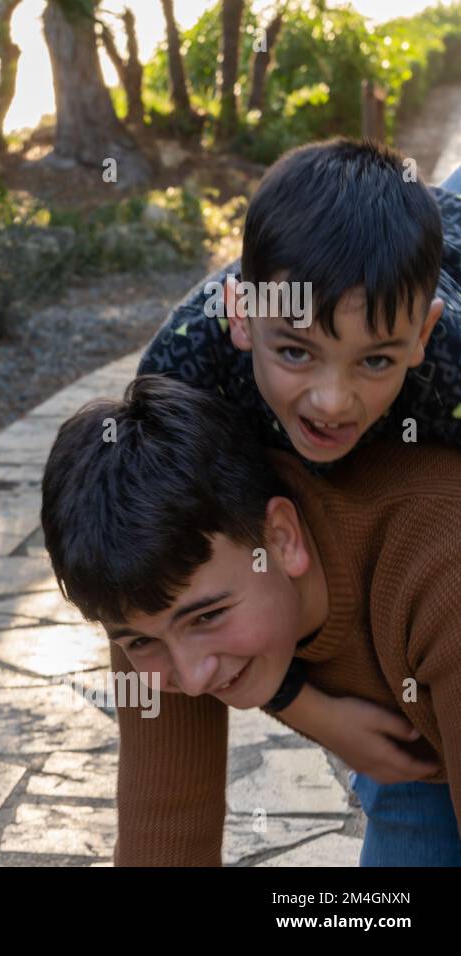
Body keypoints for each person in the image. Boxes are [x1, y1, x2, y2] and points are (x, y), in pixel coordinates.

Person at [132, 136, 461, 865]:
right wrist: (299, 698)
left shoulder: (447, 367)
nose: (332, 401)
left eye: (375, 360)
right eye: (295, 352)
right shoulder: (185, 370)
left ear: (419, 338)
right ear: (242, 316)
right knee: (408, 777)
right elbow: (142, 570)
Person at [39, 374, 461, 866]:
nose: (194, 678)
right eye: (137, 642)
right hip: (411, 752)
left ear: (283, 538)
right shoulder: (155, 598)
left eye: (210, 617)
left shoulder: (442, 568)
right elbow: (165, 836)